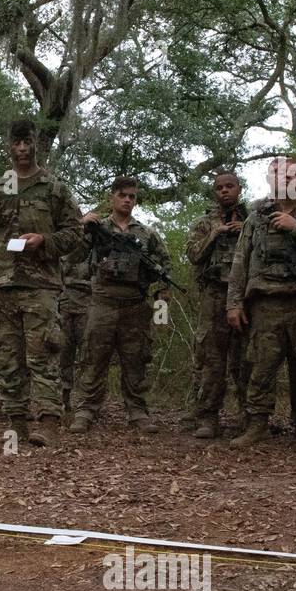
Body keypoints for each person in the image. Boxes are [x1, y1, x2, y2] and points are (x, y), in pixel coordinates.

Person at [0, 119, 82, 447]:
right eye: (16, 143)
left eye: (27, 142)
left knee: (42, 352)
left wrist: (44, 241)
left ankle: (47, 420)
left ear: (37, 144)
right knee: (5, 355)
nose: (22, 149)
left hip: (40, 286)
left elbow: (75, 233)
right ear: (9, 146)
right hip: (1, 286)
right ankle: (16, 420)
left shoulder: (55, 189)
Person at [227, 156, 296, 456]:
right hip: (266, 303)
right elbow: (240, 261)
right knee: (260, 367)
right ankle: (257, 425)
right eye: (278, 174)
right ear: (269, 180)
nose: (285, 179)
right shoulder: (256, 217)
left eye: (293, 175)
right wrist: (234, 304)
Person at [69, 177, 171, 434]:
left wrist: (162, 293)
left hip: (134, 305)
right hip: (102, 302)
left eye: (132, 196)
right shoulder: (97, 227)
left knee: (136, 359)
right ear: (112, 197)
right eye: (123, 195)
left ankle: (137, 411)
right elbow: (73, 256)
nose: (128, 200)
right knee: (93, 357)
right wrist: (82, 227)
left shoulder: (146, 234)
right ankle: (86, 409)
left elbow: (164, 264)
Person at [185, 170, 249, 438]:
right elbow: (193, 255)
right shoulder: (204, 222)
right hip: (213, 295)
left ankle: (249, 417)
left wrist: (244, 230)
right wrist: (216, 233)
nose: (225, 191)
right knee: (211, 358)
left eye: (230, 186)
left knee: (246, 358)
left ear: (239, 188)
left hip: (246, 297)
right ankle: (208, 417)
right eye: (220, 187)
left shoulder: (254, 220)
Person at [57, 244, 92, 415]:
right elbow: (57, 273)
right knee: (63, 352)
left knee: (88, 354)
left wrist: (73, 282)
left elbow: (100, 280)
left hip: (88, 306)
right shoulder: (64, 247)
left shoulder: (95, 250)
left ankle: (86, 402)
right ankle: (63, 398)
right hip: (63, 305)